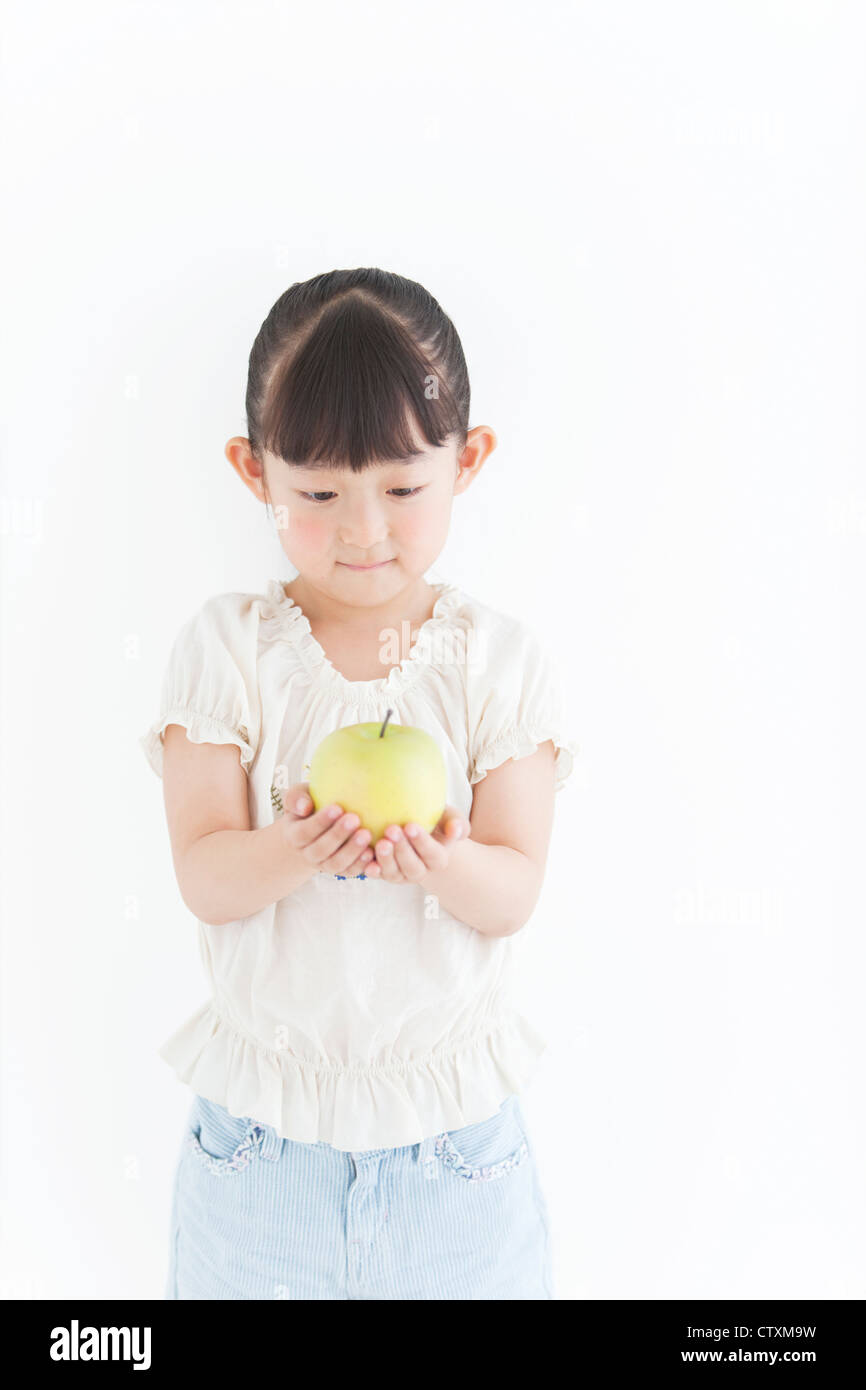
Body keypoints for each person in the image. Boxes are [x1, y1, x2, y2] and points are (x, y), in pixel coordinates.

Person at [139, 267, 579, 1299]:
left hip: (455, 1163)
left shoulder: (495, 664)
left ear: (466, 461)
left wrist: (441, 861)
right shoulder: (227, 650)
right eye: (320, 494)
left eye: (401, 487)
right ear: (256, 474)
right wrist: (290, 848)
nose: (363, 529)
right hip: (260, 1159)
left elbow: (510, 892)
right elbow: (206, 876)